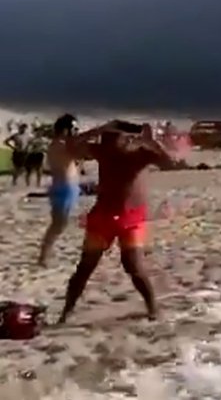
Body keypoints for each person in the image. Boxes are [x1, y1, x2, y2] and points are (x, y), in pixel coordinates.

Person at [59, 120, 176, 323]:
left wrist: (153, 143)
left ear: (127, 140)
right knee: (85, 267)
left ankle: (152, 308)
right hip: (103, 215)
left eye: (113, 137)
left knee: (133, 265)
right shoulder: (104, 150)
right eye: (106, 138)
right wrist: (97, 130)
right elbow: (69, 147)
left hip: (131, 217)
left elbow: (169, 163)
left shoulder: (139, 154)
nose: (107, 141)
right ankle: (66, 312)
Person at [37, 114, 83, 267]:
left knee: (60, 224)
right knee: (58, 224)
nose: (76, 131)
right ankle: (43, 256)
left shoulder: (61, 144)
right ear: (65, 130)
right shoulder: (60, 144)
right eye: (74, 128)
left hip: (66, 187)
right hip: (63, 188)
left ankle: (45, 254)